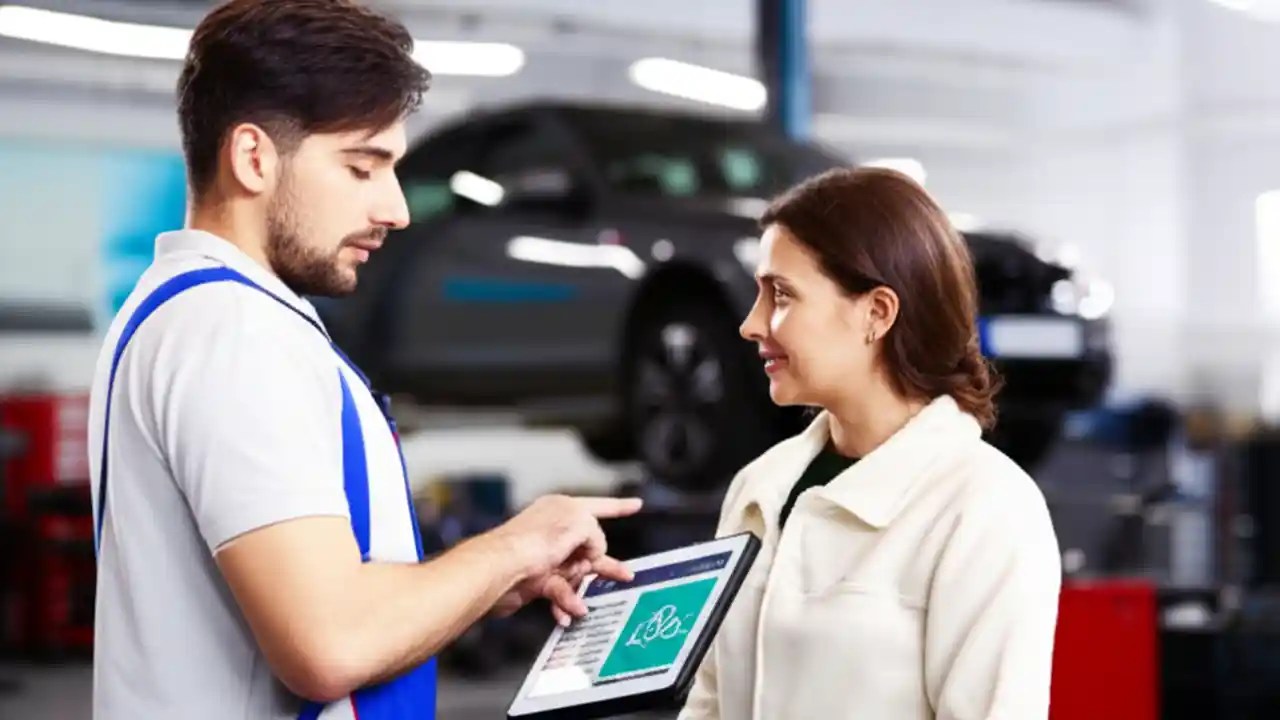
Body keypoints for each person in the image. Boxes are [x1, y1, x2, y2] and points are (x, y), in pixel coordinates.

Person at [86, 2, 640, 718]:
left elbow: (321, 597)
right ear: (254, 157)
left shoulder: (180, 312)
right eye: (362, 167)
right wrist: (514, 545)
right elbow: (330, 643)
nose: (397, 208)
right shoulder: (234, 333)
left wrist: (475, 586)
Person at [679, 167, 1062, 720]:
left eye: (781, 295)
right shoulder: (759, 487)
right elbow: (710, 705)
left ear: (876, 313)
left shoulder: (985, 505)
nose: (751, 323)